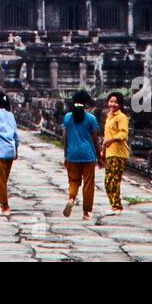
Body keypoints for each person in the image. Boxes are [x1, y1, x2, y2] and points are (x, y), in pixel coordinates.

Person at [61, 89, 102, 220]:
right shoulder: (91, 118)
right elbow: (95, 140)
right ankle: (86, 212)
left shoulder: (68, 118)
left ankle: (72, 199)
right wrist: (99, 157)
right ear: (87, 104)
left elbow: (65, 138)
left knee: (74, 181)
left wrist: (66, 156)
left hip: (72, 154)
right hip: (88, 154)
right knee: (88, 183)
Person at [101, 90, 131, 214]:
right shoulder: (109, 117)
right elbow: (106, 137)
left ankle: (116, 206)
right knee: (108, 181)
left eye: (116, 102)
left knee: (114, 180)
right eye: (111, 101)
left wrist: (112, 140)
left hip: (118, 153)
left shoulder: (121, 117)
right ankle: (113, 204)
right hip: (109, 152)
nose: (113, 104)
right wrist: (103, 152)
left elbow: (123, 133)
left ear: (120, 104)